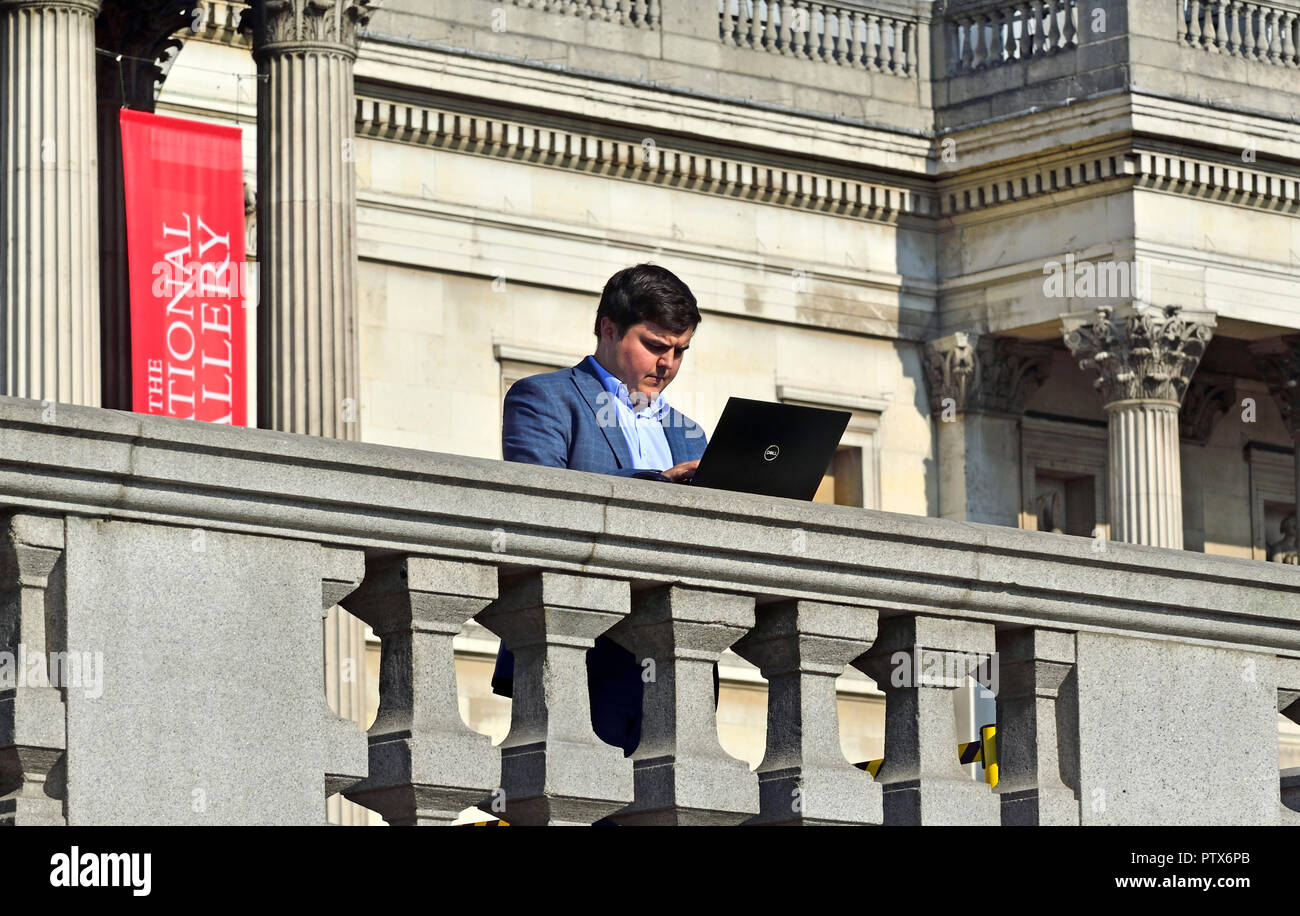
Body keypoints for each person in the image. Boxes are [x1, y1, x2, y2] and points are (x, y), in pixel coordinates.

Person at [490, 263, 717, 756]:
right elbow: (543, 502)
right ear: (609, 329)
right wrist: (658, 483)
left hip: (681, 652)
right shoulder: (544, 398)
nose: (669, 364)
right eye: (655, 346)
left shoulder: (690, 432)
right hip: (580, 646)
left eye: (680, 351)